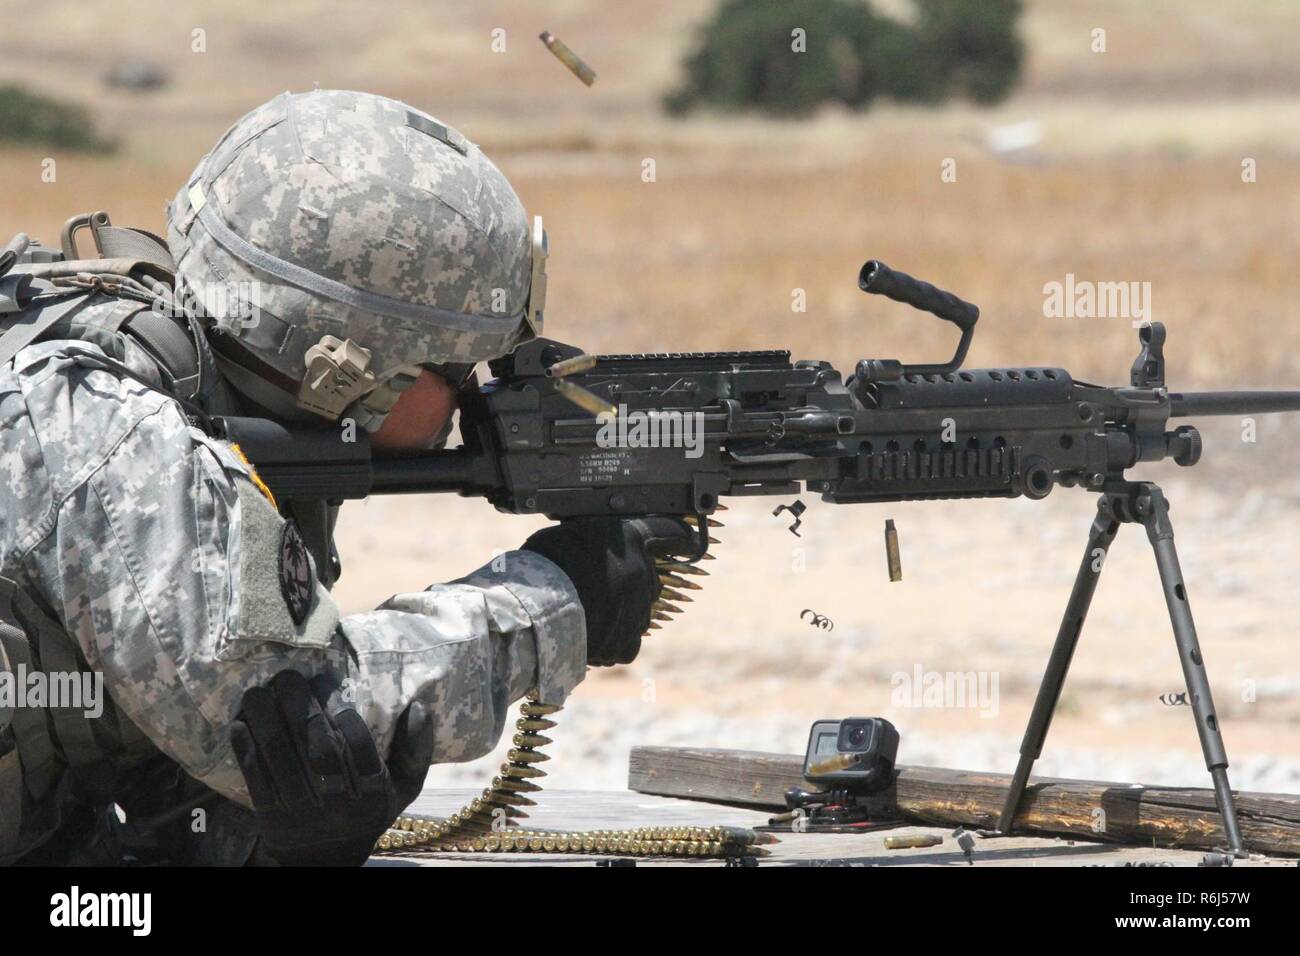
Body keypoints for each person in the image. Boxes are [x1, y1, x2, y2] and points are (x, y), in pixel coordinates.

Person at [0, 89, 691, 865]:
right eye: (456, 369)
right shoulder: (103, 431)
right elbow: (288, 715)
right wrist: (556, 600)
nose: (472, 397)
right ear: (349, 370)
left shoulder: (138, 362)